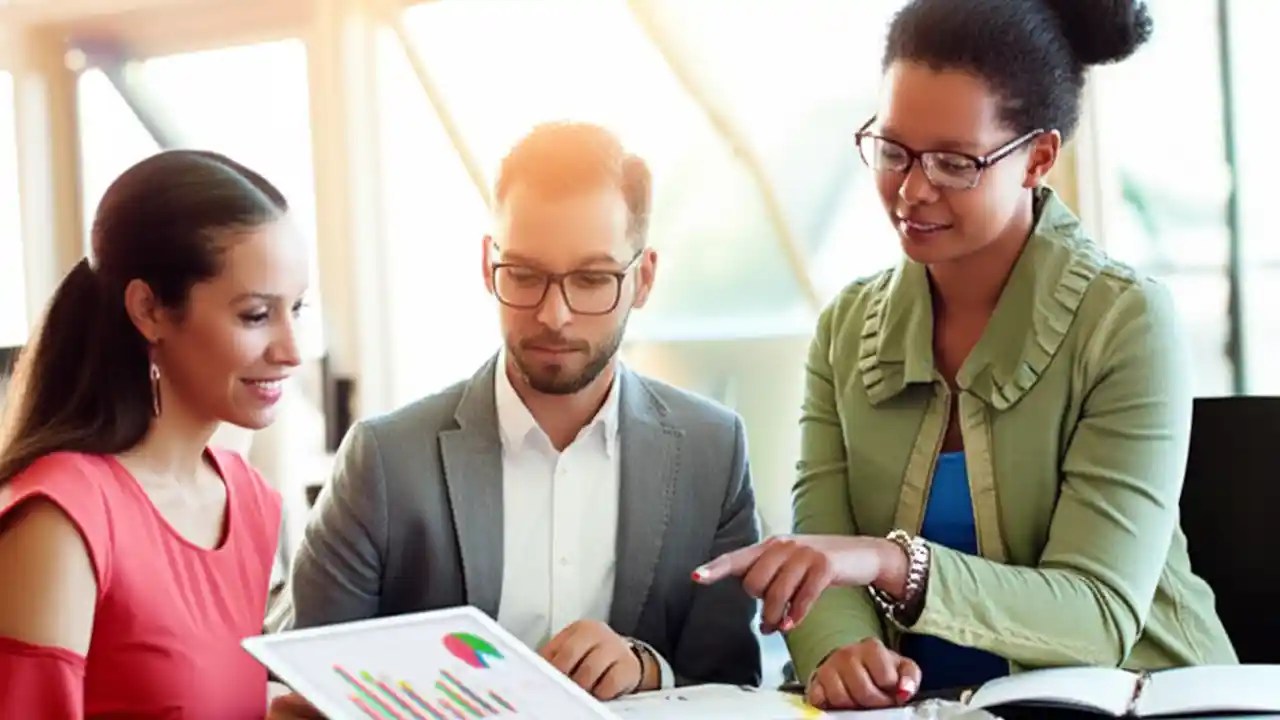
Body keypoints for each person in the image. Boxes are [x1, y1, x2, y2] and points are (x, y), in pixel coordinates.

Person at [692, 0, 1236, 710]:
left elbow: (1097, 615)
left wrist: (893, 563)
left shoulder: (1126, 321)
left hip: (1143, 700)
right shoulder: (848, 330)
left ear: (1038, 157)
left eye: (954, 162)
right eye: (892, 150)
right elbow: (820, 553)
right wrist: (840, 652)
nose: (912, 190)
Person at [267, 121, 762, 713]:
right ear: (487, 265)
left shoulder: (713, 450)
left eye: (591, 279)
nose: (555, 315)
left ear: (644, 278)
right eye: (525, 275)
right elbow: (309, 687)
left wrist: (646, 669)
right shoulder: (384, 460)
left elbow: (731, 684)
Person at [0, 150, 308, 717]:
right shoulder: (63, 519)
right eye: (256, 316)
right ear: (149, 310)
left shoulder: (250, 501)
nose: (291, 351)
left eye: (297, 310)